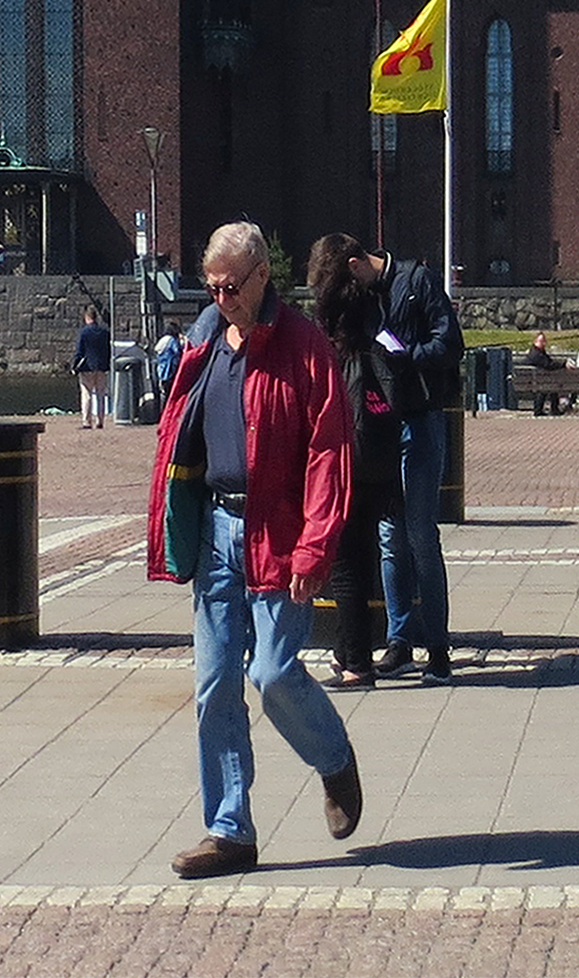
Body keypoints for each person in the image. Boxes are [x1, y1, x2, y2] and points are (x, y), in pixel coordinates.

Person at [146, 223, 366, 879]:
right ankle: (230, 832)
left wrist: (314, 546)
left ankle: (334, 760)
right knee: (213, 688)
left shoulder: (305, 348)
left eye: (231, 286)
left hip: (279, 534)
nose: (221, 297)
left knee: (271, 674)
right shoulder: (205, 340)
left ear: (264, 275)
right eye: (212, 286)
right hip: (217, 531)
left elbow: (330, 451)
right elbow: (178, 436)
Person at [303, 236, 404, 688]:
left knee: (344, 562)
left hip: (348, 451)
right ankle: (348, 651)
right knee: (362, 555)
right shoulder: (374, 311)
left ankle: (356, 661)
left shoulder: (328, 327)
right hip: (378, 451)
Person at [360, 243, 464, 678]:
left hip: (420, 419)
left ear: (359, 263)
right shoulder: (362, 296)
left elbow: (451, 342)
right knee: (390, 537)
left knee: (420, 534)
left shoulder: (416, 280)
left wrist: (408, 357)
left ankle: (437, 648)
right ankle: (398, 641)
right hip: (383, 422)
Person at [72, 301, 117, 426]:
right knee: (100, 394)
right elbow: (108, 350)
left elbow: (79, 351)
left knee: (87, 394)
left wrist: (74, 365)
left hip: (86, 367)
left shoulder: (83, 333)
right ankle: (100, 420)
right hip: (101, 367)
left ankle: (87, 421)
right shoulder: (105, 332)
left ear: (87, 317)